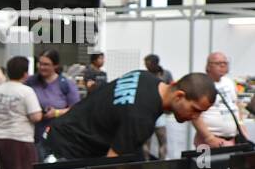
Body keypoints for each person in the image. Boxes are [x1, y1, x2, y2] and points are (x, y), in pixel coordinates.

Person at [42, 69, 215, 160]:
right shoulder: (141, 118)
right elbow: (111, 166)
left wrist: (208, 137)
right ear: (179, 96)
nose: (194, 117)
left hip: (63, 131)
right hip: (67, 148)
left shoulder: (144, 77)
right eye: (195, 110)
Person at [25, 48, 80, 158]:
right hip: (32, 136)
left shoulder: (65, 84)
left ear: (55, 66)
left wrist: (56, 113)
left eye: (46, 64)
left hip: (56, 137)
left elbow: (77, 109)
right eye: (40, 64)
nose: (41, 67)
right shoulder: (31, 82)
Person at [194, 51, 247, 148]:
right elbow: (195, 115)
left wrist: (241, 126)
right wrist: (209, 138)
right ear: (208, 66)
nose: (223, 66)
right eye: (218, 63)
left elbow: (236, 105)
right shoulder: (201, 84)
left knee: (232, 163)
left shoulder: (229, 82)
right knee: (206, 164)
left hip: (232, 139)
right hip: (208, 141)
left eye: (225, 63)